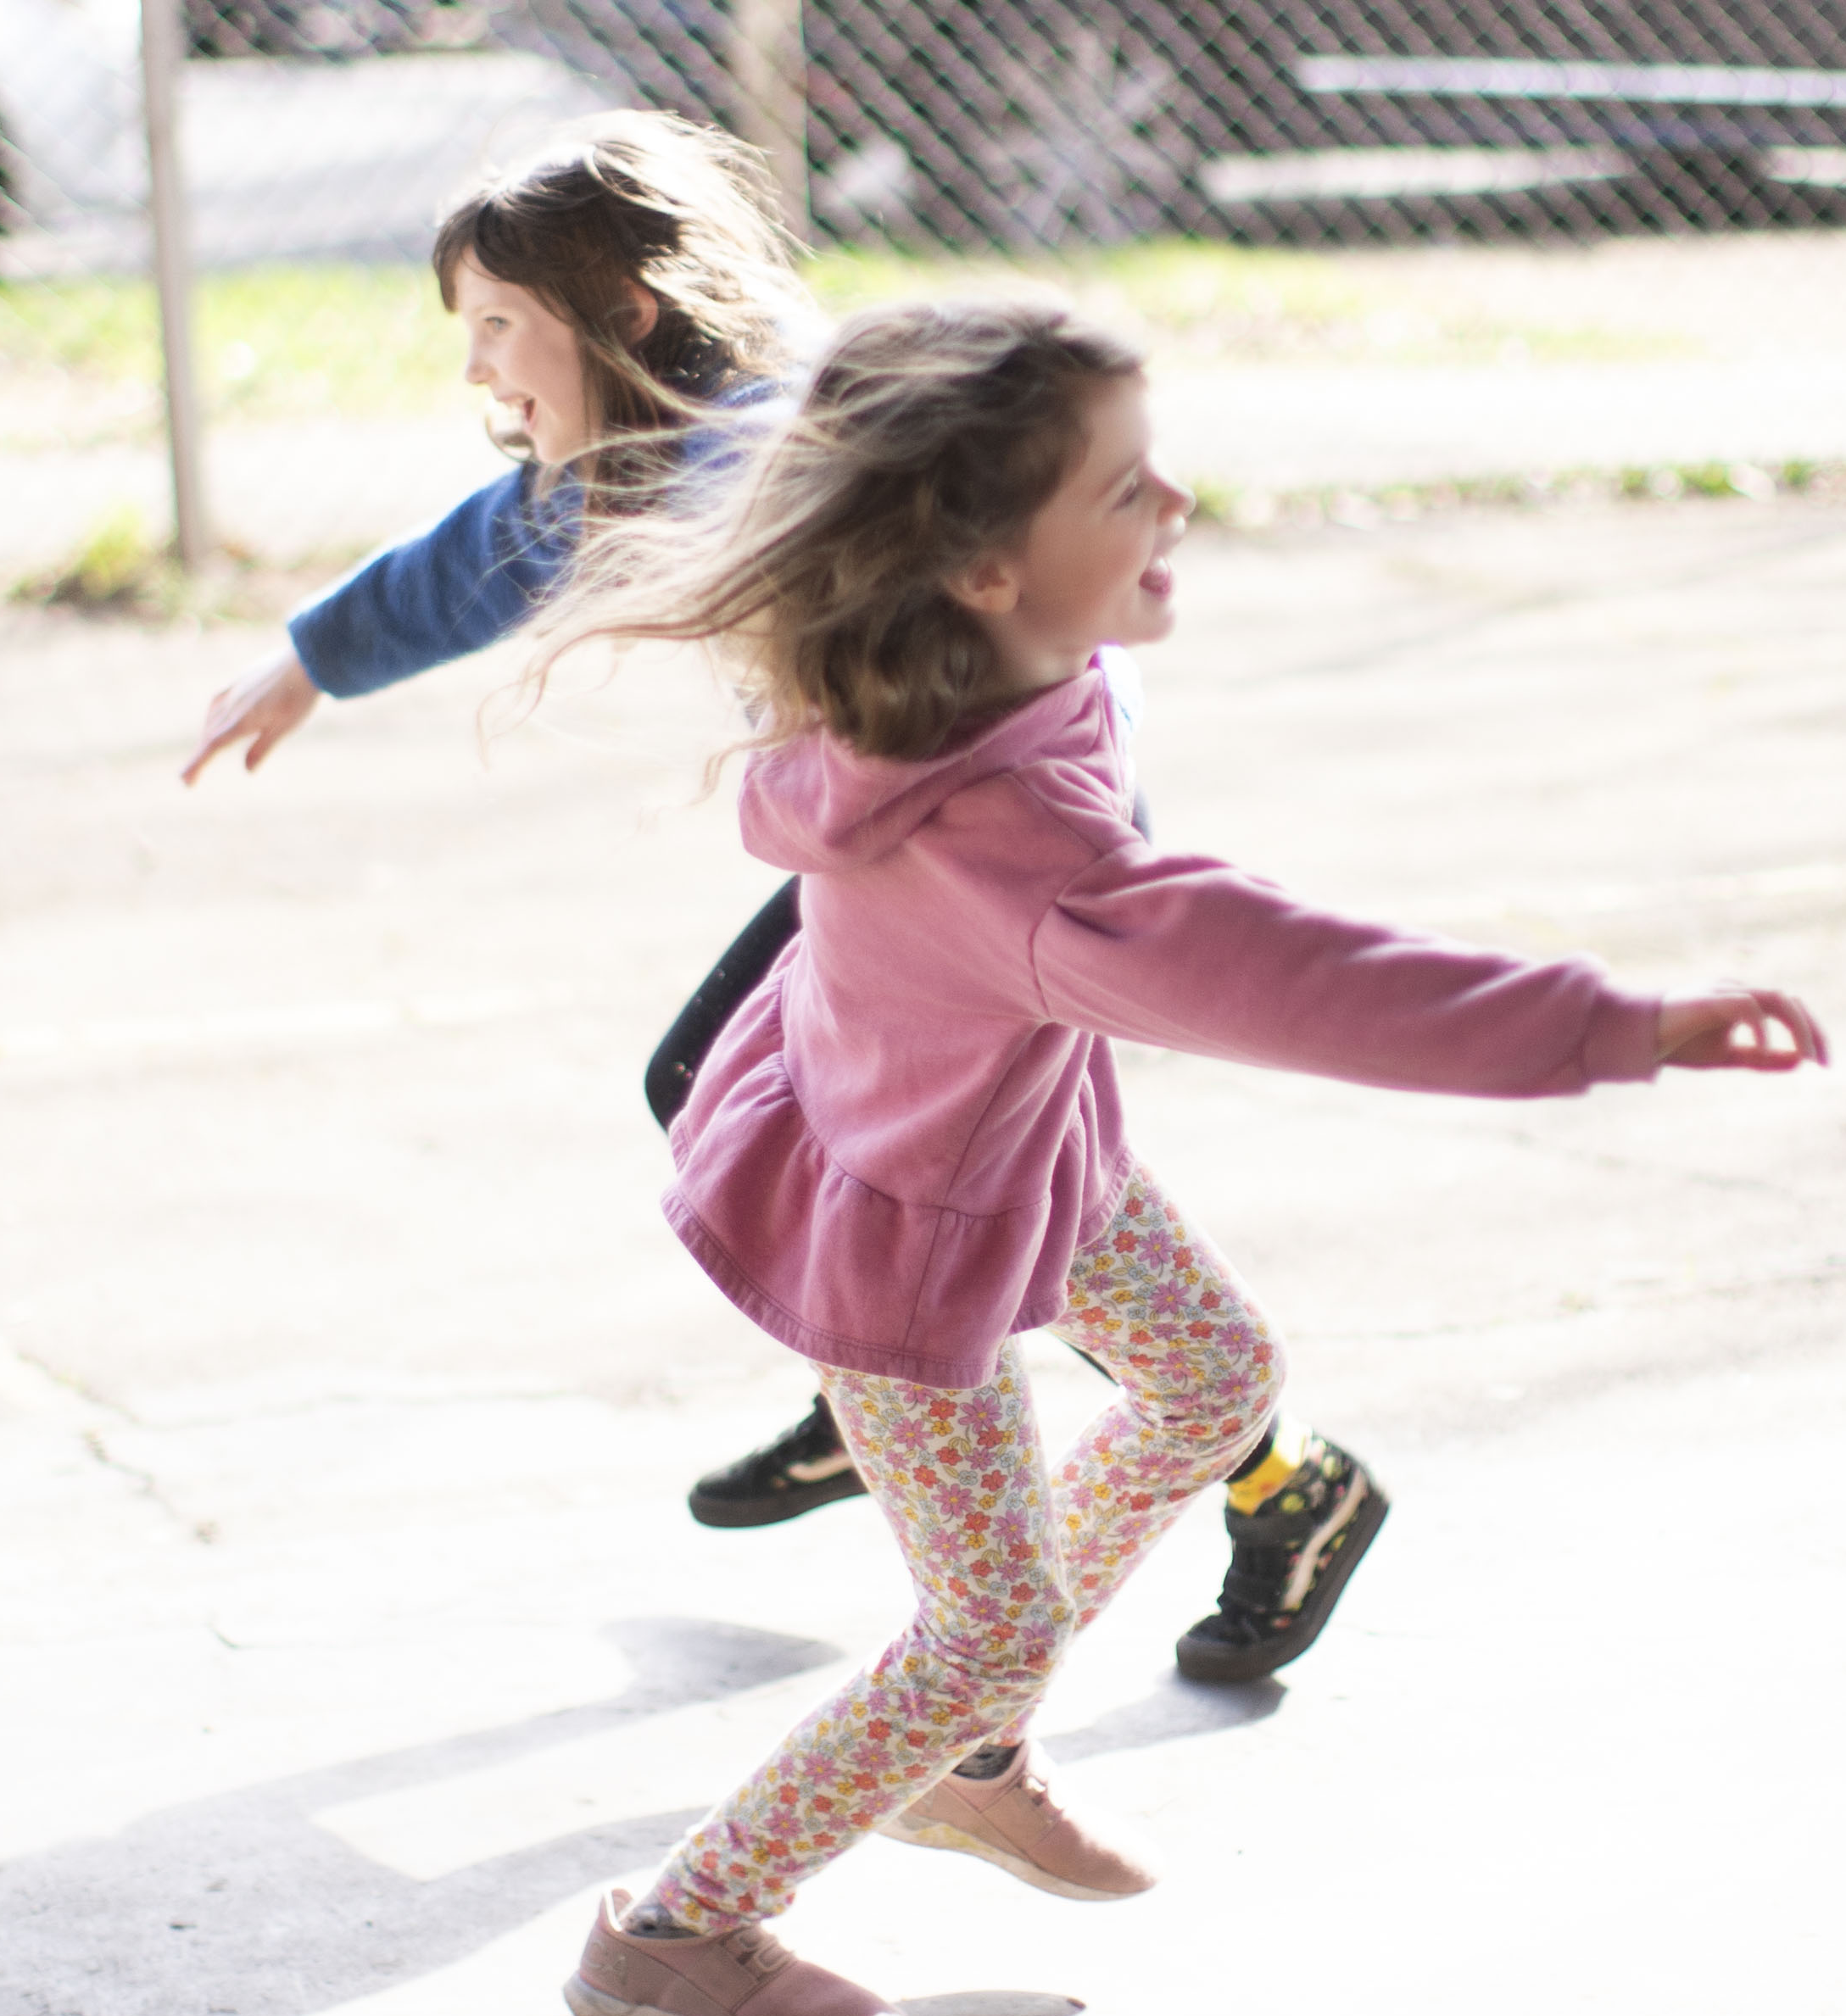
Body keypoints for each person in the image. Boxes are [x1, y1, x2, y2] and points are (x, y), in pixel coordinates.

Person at [536, 298, 1830, 2016]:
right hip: (907, 1230)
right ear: (984, 570)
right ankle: (679, 1930)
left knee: (1215, 1381)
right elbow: (1296, 975)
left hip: (1021, 1145)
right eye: (1126, 492)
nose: (1179, 508)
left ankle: (970, 1757)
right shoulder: (1033, 867)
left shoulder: (948, 672)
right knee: (982, 1618)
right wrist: (1617, 1024)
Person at [182, 112, 1397, 1685]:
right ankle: (895, 1381)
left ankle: (1249, 1467)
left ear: (625, 312)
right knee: (739, 1092)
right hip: (916, 858)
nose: (477, 368)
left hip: (996, 867)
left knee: (947, 1161)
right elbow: (489, 551)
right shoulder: (643, 449)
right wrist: (311, 658)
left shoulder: (774, 448)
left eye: (499, 325)